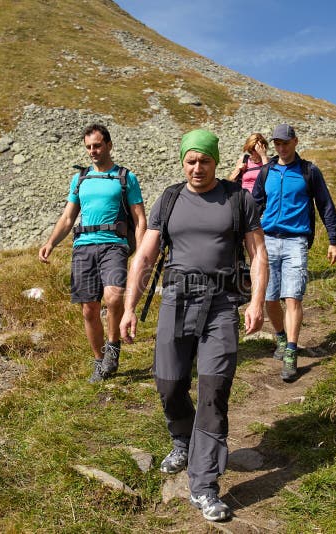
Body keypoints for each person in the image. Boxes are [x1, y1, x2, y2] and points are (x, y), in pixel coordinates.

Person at [120, 129, 268, 522]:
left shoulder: (238, 199)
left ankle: (204, 486)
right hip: (176, 300)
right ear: (182, 162)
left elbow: (257, 254)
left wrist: (256, 302)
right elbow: (145, 256)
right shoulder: (169, 199)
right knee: (169, 383)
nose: (197, 167)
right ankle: (182, 438)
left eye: (204, 160)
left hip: (221, 304)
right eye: (190, 160)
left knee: (214, 389)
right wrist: (128, 307)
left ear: (216, 161)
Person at [39, 124, 146, 383]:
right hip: (83, 247)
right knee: (89, 309)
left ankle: (113, 347)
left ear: (108, 145)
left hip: (114, 244)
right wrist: (51, 242)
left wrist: (142, 251)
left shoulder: (125, 177)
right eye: (88, 147)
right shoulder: (80, 179)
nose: (92, 151)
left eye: (97, 145)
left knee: (113, 297)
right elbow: (67, 217)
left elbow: (140, 218)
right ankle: (99, 361)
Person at [251, 123, 336, 382]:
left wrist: (333, 240)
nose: (281, 147)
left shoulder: (308, 171)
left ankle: (291, 351)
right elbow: (254, 206)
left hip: (296, 242)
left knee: (292, 298)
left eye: (285, 143)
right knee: (269, 299)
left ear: (295, 142)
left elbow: (325, 205)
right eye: (277, 143)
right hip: (267, 242)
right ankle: (280, 337)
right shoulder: (266, 172)